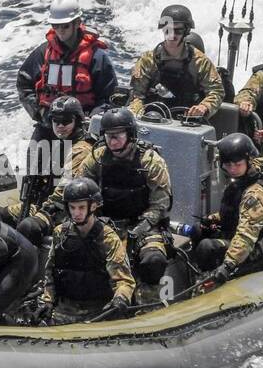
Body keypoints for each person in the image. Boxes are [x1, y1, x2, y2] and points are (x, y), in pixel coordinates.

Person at [31, 107, 172, 286]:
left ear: (130, 134)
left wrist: (138, 228)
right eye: (107, 136)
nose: (111, 142)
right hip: (105, 221)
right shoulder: (97, 157)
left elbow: (160, 205)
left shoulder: (151, 161)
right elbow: (80, 191)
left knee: (153, 261)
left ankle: (149, 302)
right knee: (70, 246)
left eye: (117, 136)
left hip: (144, 225)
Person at [192, 134, 263, 285]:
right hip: (237, 234)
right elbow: (234, 212)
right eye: (228, 165)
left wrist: (228, 265)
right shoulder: (239, 183)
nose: (232, 169)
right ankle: (199, 271)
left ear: (248, 161)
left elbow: (247, 235)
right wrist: (212, 219)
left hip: (257, 246)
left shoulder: (255, 193)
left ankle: (207, 283)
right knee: (197, 230)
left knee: (207, 247)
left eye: (237, 164)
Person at [16, 0, 117, 141]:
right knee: (36, 158)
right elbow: (24, 83)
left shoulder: (96, 57)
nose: (60, 31)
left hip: (83, 128)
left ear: (77, 23)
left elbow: (109, 97)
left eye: (65, 26)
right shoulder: (43, 53)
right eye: (55, 26)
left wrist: (91, 121)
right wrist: (41, 113)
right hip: (50, 125)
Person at [38, 177, 135, 324]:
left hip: (99, 312)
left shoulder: (107, 237)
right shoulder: (60, 233)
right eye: (72, 207)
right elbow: (50, 272)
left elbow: (124, 280)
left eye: (81, 207)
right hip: (64, 310)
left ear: (93, 206)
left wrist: (120, 299)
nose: (76, 213)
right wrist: (47, 302)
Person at [9, 95, 95, 225]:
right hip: (44, 204)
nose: (60, 125)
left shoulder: (81, 149)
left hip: (66, 211)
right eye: (56, 120)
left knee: (28, 228)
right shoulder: (57, 144)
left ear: (77, 121)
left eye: (66, 121)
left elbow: (64, 191)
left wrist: (42, 213)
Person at [127, 8, 225, 121]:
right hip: (152, 120)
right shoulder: (148, 60)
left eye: (178, 31)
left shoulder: (200, 62)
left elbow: (216, 91)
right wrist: (136, 111)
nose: (172, 35)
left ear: (186, 31)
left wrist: (204, 107)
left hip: (187, 123)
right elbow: (136, 94)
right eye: (168, 30)